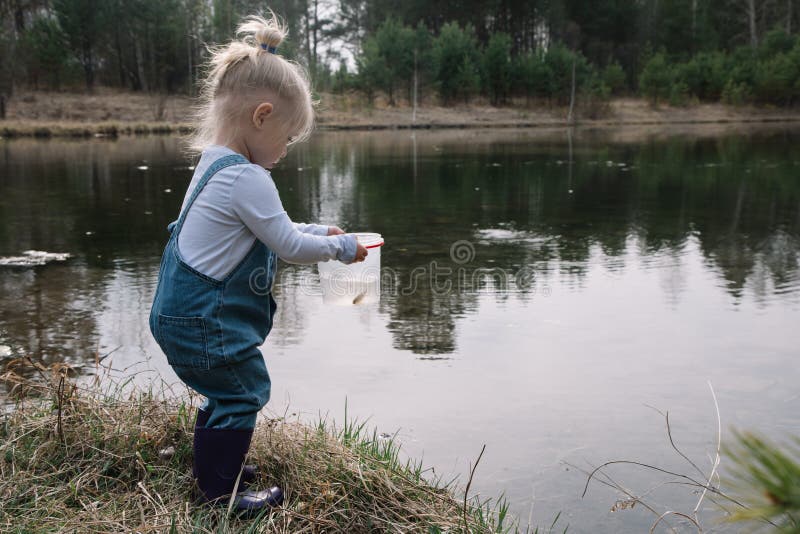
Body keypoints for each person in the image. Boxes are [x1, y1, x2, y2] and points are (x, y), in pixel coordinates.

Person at [148, 12, 368, 514]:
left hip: (178, 315)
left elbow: (275, 228)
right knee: (244, 390)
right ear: (262, 116)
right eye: (287, 138)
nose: (285, 151)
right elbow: (287, 246)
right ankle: (220, 497)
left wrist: (322, 232)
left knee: (224, 392)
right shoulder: (248, 178)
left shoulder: (215, 164)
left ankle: (216, 466)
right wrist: (339, 249)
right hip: (203, 321)